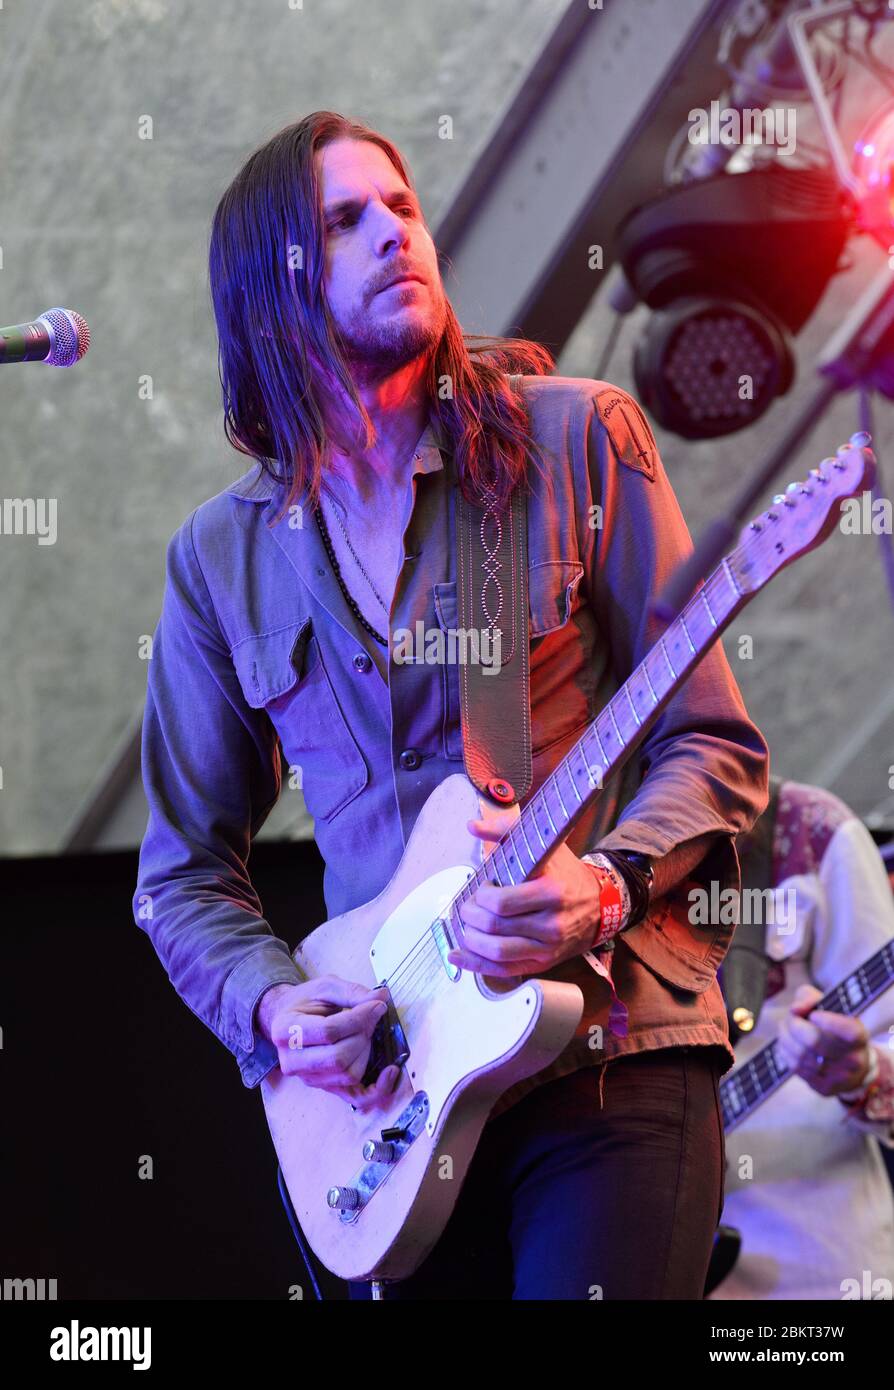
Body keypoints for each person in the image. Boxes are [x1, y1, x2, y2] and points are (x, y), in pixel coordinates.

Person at [132, 111, 769, 1300]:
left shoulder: (574, 441)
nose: (395, 233)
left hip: (608, 1047)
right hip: (385, 1092)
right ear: (263, 293)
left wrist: (607, 883)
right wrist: (274, 1006)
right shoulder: (222, 560)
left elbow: (712, 740)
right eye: (342, 222)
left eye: (402, 205)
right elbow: (180, 874)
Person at [709, 778, 894, 1301]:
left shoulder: (810, 829)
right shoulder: (562, 837)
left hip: (811, 1268)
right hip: (634, 1246)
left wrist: (862, 1073)